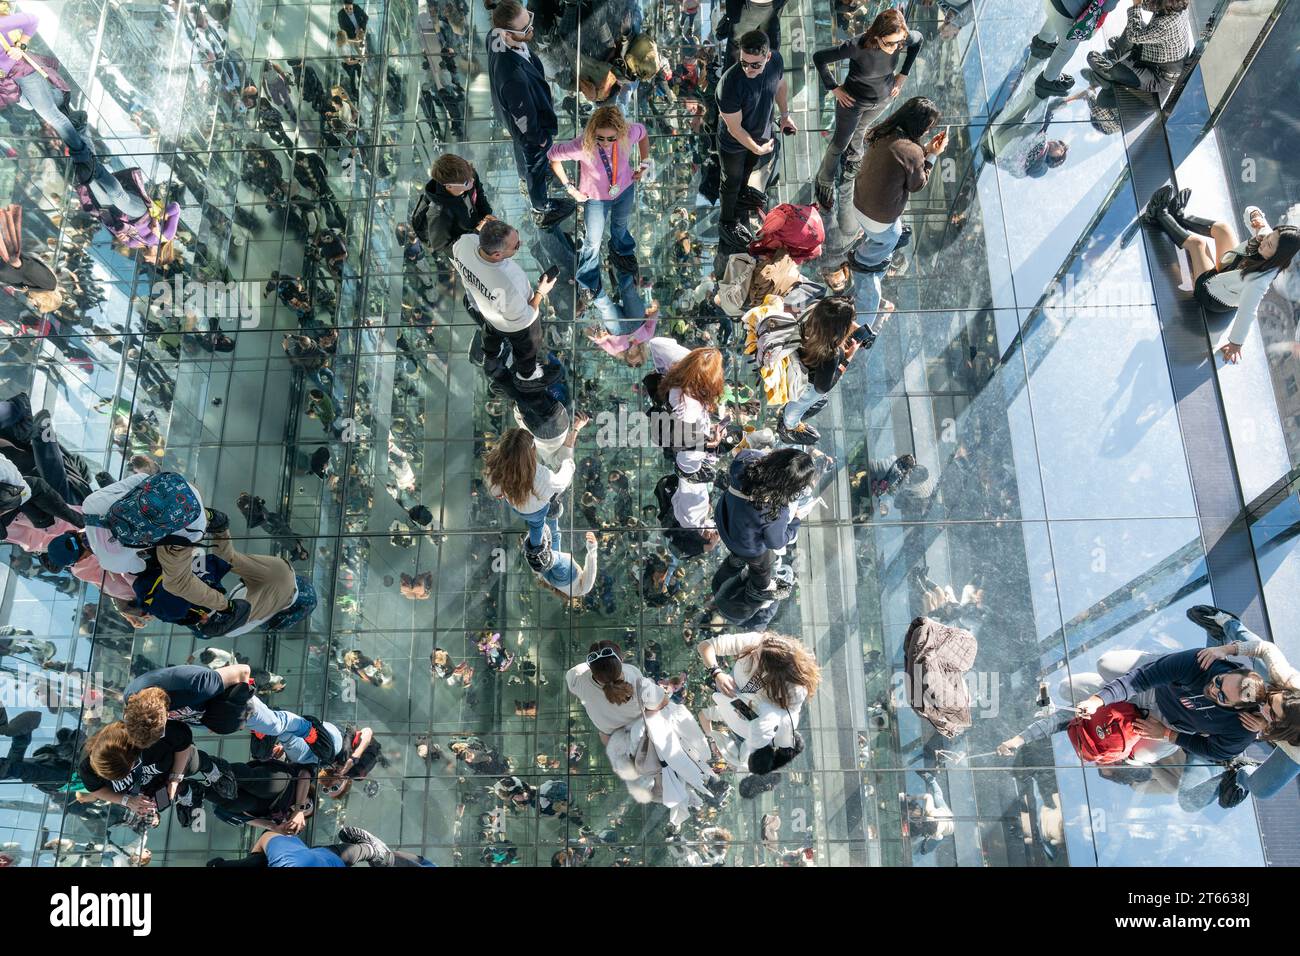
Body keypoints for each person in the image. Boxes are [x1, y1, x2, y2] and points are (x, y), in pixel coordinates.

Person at [566, 640, 729, 820]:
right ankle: (702, 779)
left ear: (592, 669)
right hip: (650, 735)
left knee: (653, 770)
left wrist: (596, 666)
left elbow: (573, 672)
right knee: (671, 725)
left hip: (622, 743)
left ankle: (683, 792)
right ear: (620, 659)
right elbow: (663, 702)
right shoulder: (633, 677)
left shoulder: (579, 683)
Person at [1143, 187, 1300, 364]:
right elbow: (1250, 211)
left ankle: (1158, 215)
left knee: (1198, 244)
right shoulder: (1266, 237)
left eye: (1270, 245)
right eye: (1270, 236)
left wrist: (1235, 344)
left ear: (1279, 257)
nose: (1264, 241)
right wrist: (1255, 215)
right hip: (1226, 270)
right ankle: (1178, 215)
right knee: (1223, 229)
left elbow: (1248, 313)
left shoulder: (1259, 281)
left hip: (1211, 293)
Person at [1183, 606, 1300, 808]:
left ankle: (1240, 775)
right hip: (1278, 689)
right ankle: (1225, 623)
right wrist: (1226, 650)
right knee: (1258, 661)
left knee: (1262, 790)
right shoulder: (1287, 682)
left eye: (1271, 713)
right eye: (1271, 702)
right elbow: (1265, 649)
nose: (1264, 707)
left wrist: (1263, 728)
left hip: (1291, 743)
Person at [547, 105, 651, 323]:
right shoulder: (581, 145)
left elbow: (643, 132)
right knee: (592, 242)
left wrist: (644, 163)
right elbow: (552, 155)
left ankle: (623, 260)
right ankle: (587, 283)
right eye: (600, 138)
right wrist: (570, 188)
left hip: (624, 190)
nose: (605, 143)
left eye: (611, 138)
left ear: (620, 133)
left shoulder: (628, 134)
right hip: (595, 199)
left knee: (620, 229)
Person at [812, 9, 923, 210]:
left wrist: (903, 74)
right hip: (852, 102)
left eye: (899, 43)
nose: (895, 48)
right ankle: (824, 180)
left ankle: (853, 159)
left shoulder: (901, 40)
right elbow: (819, 58)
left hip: (883, 99)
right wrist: (834, 88)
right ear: (876, 36)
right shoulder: (857, 46)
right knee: (840, 142)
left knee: (862, 128)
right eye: (889, 43)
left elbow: (918, 41)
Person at [850, 96, 945, 318]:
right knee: (882, 254)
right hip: (879, 221)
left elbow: (901, 156)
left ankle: (872, 254)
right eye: (929, 126)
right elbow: (917, 185)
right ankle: (862, 261)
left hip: (859, 204)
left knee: (896, 235)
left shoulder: (883, 131)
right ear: (921, 125)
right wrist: (932, 156)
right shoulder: (912, 152)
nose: (929, 131)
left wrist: (926, 151)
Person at [696, 631, 820, 797]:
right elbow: (705, 646)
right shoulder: (758, 642)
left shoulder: (795, 690)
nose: (752, 653)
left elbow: (786, 721)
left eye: (757, 658)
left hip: (753, 718)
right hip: (735, 701)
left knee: (748, 749)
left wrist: (757, 720)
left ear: (773, 673)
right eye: (755, 651)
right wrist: (717, 672)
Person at [487, 0, 574, 226]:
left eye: (530, 20)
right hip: (531, 128)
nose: (531, 30)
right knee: (535, 164)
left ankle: (526, 179)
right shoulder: (511, 76)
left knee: (524, 153)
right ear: (506, 33)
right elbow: (524, 118)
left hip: (518, 114)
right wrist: (541, 139)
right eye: (525, 29)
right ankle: (541, 207)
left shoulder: (496, 37)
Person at [450, 219, 560, 387]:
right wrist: (541, 292)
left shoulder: (465, 242)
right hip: (512, 324)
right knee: (528, 347)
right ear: (497, 255)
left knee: (491, 332)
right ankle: (527, 375)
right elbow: (525, 318)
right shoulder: (508, 283)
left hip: (484, 308)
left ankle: (492, 355)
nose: (520, 244)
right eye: (515, 246)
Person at [716, 30, 794, 248]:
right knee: (730, 182)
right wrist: (756, 149)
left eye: (755, 65)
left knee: (746, 175)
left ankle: (741, 199)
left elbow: (780, 85)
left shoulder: (776, 60)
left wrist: (785, 116)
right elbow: (735, 129)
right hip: (733, 143)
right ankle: (727, 222)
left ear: (767, 57)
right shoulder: (730, 84)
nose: (748, 69)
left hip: (759, 137)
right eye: (744, 63)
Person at [75, 720, 236, 825]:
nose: (127, 775)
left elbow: (183, 743)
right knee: (160, 803)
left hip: (173, 762)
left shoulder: (151, 731)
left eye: (129, 768)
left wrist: (175, 778)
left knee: (192, 764)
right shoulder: (88, 766)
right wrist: (126, 801)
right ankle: (187, 791)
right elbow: (95, 789)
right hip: (147, 785)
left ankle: (212, 768)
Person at [484, 418, 588, 571]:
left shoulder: (495, 468)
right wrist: (568, 463)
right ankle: (535, 551)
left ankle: (537, 548)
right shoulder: (541, 476)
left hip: (517, 505)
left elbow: (495, 491)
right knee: (537, 525)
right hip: (535, 510)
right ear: (530, 451)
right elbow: (563, 480)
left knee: (537, 525)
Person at [715, 447, 814, 599]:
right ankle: (761, 588)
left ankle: (735, 561)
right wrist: (796, 520)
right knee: (762, 569)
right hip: (744, 545)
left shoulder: (744, 464)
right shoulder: (775, 511)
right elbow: (776, 543)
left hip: (724, 520)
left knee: (743, 553)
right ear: (793, 485)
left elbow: (744, 452)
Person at [777, 296, 863, 445]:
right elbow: (822, 388)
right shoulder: (832, 354)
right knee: (806, 407)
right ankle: (788, 426)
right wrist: (848, 358)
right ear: (840, 327)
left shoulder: (806, 320)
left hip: (794, 370)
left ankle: (788, 420)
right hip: (808, 387)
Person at [1085, 0, 1191, 99]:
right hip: (1156, 52)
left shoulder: (1164, 25)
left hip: (1158, 76)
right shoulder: (1178, 5)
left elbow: (1133, 35)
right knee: (1135, 23)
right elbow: (1148, 5)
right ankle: (1121, 54)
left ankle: (1111, 74)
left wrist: (1136, 5)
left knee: (1115, 71)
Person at [1029, 0, 1121, 97]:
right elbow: (1108, 6)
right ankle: (1047, 81)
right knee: (1067, 46)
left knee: (1056, 15)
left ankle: (1042, 43)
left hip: (1052, 3)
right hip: (1069, 13)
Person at [411, 153, 494, 255]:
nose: (472, 181)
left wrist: (487, 214)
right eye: (466, 183)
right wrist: (476, 233)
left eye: (471, 173)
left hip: (477, 227)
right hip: (468, 245)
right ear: (449, 186)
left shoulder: (467, 175)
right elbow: (443, 247)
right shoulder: (439, 214)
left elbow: (479, 195)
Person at [533, 529, 600, 599]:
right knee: (553, 540)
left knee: (557, 559)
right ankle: (549, 523)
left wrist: (592, 547)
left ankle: (543, 554)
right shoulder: (562, 591)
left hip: (568, 575)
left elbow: (591, 572)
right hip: (552, 577)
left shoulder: (582, 591)